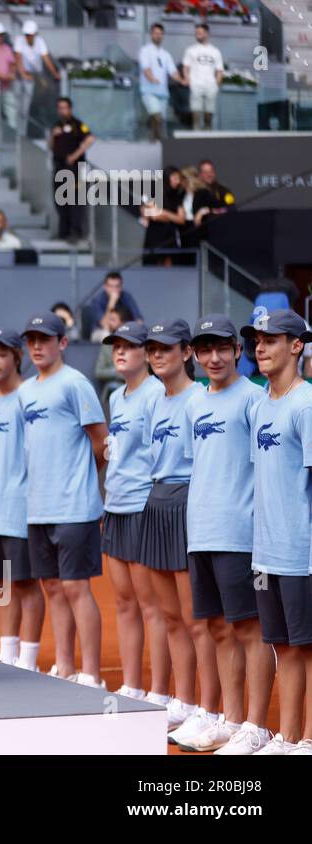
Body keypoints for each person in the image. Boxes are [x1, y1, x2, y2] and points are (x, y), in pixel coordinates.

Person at [174, 316, 275, 752]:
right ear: (195, 355)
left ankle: (256, 725)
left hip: (240, 532)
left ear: (237, 351)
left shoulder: (255, 399)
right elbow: (199, 463)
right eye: (204, 350)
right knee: (216, 627)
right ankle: (230, 719)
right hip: (201, 531)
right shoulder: (194, 403)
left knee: (249, 630)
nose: (213, 358)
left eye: (222, 349)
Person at [18, 311, 109, 686]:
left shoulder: (76, 384)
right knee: (52, 587)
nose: (38, 347)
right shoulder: (24, 390)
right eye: (32, 340)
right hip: (38, 507)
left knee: (75, 587)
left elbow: (101, 440)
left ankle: (92, 674)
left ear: (63, 343)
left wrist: (84, 481)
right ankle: (66, 666)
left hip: (75, 506)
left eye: (46, 339)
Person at [138, 318, 215, 743]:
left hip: (187, 501)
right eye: (152, 349)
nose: (157, 356)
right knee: (170, 616)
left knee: (196, 618)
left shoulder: (198, 399)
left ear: (187, 353)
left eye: (166, 348)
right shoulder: (153, 401)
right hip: (156, 500)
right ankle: (182, 702)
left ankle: (210, 707)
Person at [242, 309, 312, 754]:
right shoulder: (261, 403)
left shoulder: (306, 404)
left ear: (296, 346)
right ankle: (286, 737)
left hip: (301, 553)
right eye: (257, 340)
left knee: (308, 649)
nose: (260, 347)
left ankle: (308, 738)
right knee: (282, 647)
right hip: (265, 553)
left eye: (271, 339)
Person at [100, 321, 170, 708]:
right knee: (124, 602)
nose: (120, 352)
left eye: (129, 346)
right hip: (116, 505)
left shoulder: (157, 394)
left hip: (143, 505)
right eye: (116, 347)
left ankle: (159, 691)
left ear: (147, 353)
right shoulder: (116, 396)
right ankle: (132, 685)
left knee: (151, 605)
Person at [0, 328, 45, 671]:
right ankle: (8, 652)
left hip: (19, 508)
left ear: (17, 357)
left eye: (2, 354)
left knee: (26, 584)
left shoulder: (27, 399)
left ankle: (28, 659)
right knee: (1, 584)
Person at [48, 96, 94, 242]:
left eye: (65, 108)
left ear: (70, 109)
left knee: (74, 200)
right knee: (60, 200)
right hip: (59, 166)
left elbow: (90, 139)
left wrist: (75, 155)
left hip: (74, 168)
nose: (62, 111)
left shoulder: (77, 124)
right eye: (60, 108)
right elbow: (50, 147)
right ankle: (63, 231)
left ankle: (75, 231)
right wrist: (52, 136)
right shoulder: (56, 125)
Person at [13, 20, 59, 133]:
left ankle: (39, 116)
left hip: (37, 75)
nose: (28, 37)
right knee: (23, 104)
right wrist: (23, 74)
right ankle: (21, 131)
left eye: (30, 35)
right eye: (27, 35)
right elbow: (18, 59)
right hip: (24, 74)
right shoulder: (19, 40)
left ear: (35, 34)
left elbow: (46, 58)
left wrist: (54, 73)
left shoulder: (40, 41)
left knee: (45, 92)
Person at [139, 23, 181, 142]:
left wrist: (182, 80)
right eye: (155, 33)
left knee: (159, 119)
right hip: (148, 91)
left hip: (163, 92)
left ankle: (154, 139)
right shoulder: (145, 50)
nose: (158, 36)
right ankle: (158, 140)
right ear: (151, 34)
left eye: (160, 34)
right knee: (157, 116)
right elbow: (145, 68)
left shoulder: (166, 54)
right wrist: (151, 78)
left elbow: (173, 71)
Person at [182, 23, 224, 131]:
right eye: (196, 33)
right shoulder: (190, 50)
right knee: (196, 113)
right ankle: (196, 134)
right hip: (196, 84)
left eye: (200, 33)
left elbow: (219, 70)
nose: (197, 35)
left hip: (211, 85)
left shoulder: (215, 51)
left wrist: (216, 84)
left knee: (208, 115)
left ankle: (207, 136)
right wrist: (188, 80)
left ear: (206, 33)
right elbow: (186, 67)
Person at [141, 165, 187, 265]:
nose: (177, 181)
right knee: (153, 266)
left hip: (170, 237)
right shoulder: (154, 191)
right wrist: (171, 217)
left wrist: (164, 213)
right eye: (175, 178)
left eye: (178, 178)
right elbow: (152, 215)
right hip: (155, 236)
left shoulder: (177, 195)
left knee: (170, 266)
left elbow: (181, 219)